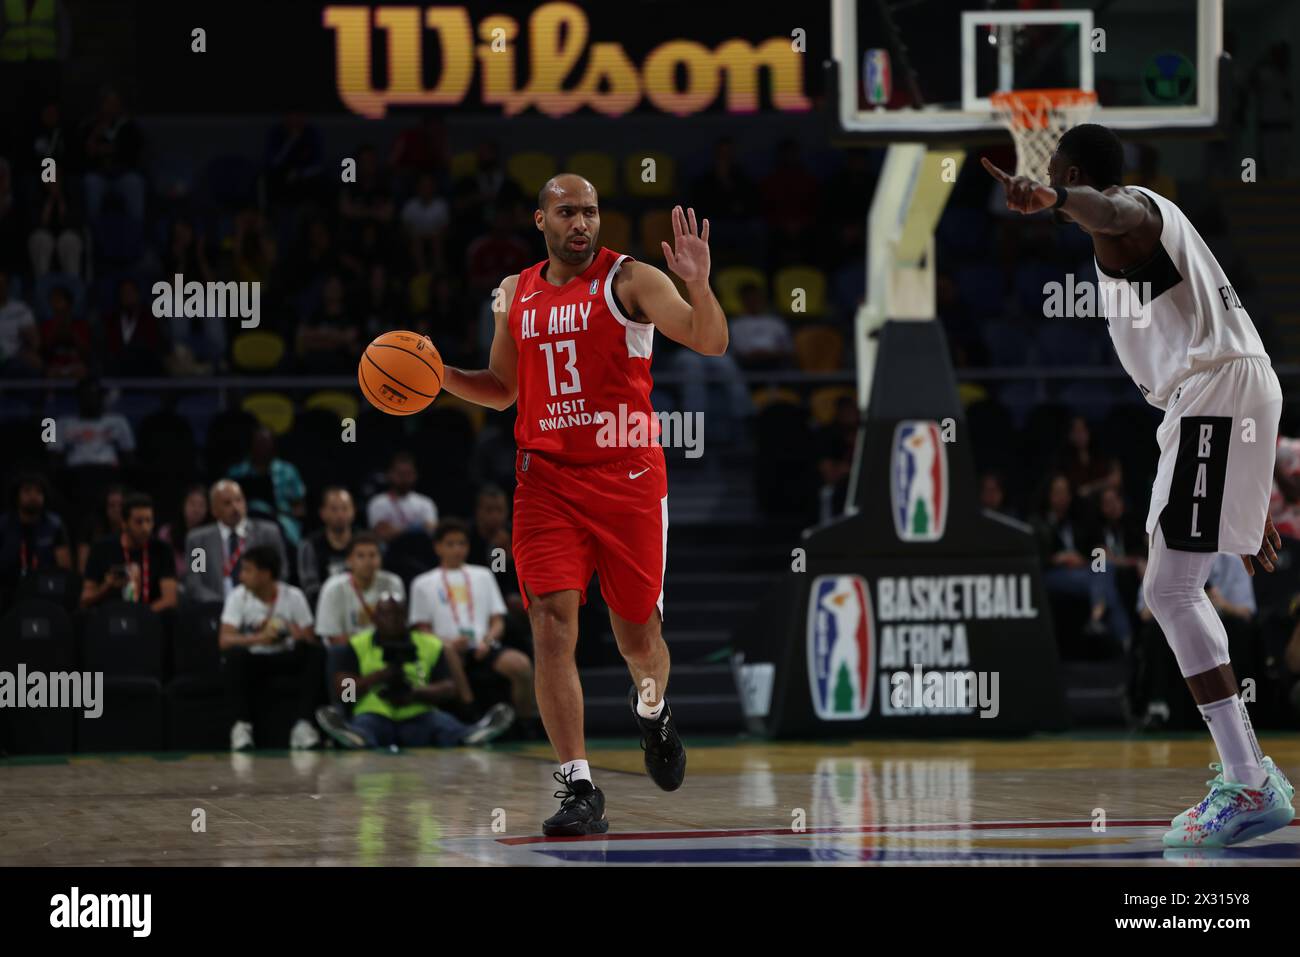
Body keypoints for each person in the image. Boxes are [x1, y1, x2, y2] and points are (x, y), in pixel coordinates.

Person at [985, 124, 1294, 847]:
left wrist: (1055, 197)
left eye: (1058, 166)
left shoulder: (1131, 214)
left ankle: (1249, 781)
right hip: (1230, 389)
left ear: (1075, 170)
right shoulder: (1148, 237)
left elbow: (1114, 211)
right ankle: (1250, 774)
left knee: (1169, 591)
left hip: (1215, 390)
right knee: (1176, 586)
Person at [440, 175, 726, 835]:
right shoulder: (514, 292)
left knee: (638, 639)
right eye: (567, 211)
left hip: (627, 478)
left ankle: (652, 710)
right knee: (549, 624)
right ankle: (578, 787)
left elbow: (710, 341)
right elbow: (504, 388)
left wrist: (700, 285)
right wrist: (441, 378)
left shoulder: (631, 279)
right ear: (540, 218)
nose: (581, 222)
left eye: (590, 211)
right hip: (545, 482)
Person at [315, 594, 513, 750]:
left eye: (397, 614)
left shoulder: (429, 644)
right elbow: (345, 692)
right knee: (366, 727)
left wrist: (416, 693)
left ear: (406, 617)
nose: (392, 619)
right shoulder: (358, 644)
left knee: (443, 725)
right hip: (375, 712)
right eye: (386, 614)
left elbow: (449, 688)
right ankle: (353, 735)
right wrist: (380, 676)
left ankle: (472, 734)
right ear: (374, 618)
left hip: (418, 712)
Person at [410, 518, 536, 725]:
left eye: (462, 543)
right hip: (446, 648)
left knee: (521, 665)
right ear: (438, 547)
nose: (457, 549)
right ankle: (471, 714)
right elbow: (420, 629)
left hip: (482, 646)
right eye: (450, 544)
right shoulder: (423, 583)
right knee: (450, 652)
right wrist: (445, 641)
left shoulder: (483, 575)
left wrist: (488, 640)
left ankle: (525, 722)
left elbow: (497, 620)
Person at [218, 545, 321, 751]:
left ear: (265, 574)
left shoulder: (294, 596)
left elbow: (310, 638)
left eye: (248, 570)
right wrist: (259, 638)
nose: (241, 576)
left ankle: (303, 725)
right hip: (255, 660)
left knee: (316, 654)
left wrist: (287, 629)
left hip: (285, 656)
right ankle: (241, 727)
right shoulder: (238, 596)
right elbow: (224, 640)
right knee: (233, 656)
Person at [183, 479, 287, 604]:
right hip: (216, 609)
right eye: (227, 503)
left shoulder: (267, 534)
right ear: (214, 510)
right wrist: (224, 606)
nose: (235, 507)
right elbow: (195, 582)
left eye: (239, 500)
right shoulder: (199, 542)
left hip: (260, 605)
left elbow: (281, 572)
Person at [80, 493, 176, 612]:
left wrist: (140, 616)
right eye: (139, 522)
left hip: (149, 617)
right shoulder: (101, 548)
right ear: (124, 523)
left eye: (149, 521)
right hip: (110, 619)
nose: (146, 528)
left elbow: (170, 599)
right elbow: (85, 600)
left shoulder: (162, 550)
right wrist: (106, 587)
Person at [227, 426, 307, 548]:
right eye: (259, 443)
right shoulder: (237, 472)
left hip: (280, 520)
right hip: (244, 520)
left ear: (273, 446)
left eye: (266, 443)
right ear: (251, 445)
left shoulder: (288, 471)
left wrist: (286, 514)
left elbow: (299, 507)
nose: (262, 447)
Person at [0, 473, 71, 596]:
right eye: (27, 491)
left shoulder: (54, 525)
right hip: (7, 584)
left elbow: (64, 568)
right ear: (17, 496)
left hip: (44, 585)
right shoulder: (3, 524)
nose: (33, 496)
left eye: (38, 492)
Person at [297, 486, 358, 606]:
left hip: (359, 603)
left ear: (353, 511)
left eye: (345, 508)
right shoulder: (310, 545)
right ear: (322, 513)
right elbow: (310, 588)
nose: (340, 514)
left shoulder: (363, 542)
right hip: (324, 608)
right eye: (334, 509)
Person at [366, 451, 437, 543]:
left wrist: (395, 529)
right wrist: (417, 528)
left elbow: (431, 530)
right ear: (390, 474)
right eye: (400, 473)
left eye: (408, 474)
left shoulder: (425, 503)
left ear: (415, 475)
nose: (404, 478)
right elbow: (382, 533)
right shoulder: (378, 503)